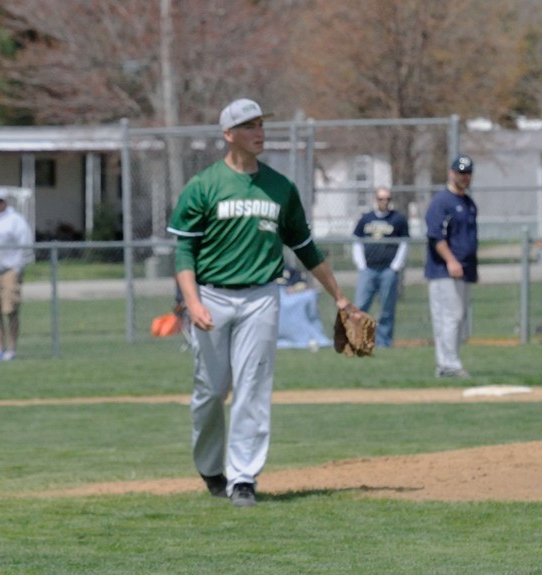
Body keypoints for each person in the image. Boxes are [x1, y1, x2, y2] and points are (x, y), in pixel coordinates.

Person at [167, 98, 353, 508]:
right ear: (228, 135)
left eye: (261, 124)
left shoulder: (280, 187)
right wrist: (192, 302)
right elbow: (183, 252)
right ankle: (210, 467)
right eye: (249, 126)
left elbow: (306, 247)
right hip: (212, 296)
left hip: (262, 297)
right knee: (211, 390)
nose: (259, 132)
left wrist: (340, 297)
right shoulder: (204, 185)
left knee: (253, 387)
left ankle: (243, 478)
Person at [425, 155, 478, 379]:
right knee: (449, 317)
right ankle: (448, 365)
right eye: (460, 173)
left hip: (463, 270)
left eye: (468, 173)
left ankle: (447, 364)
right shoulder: (442, 202)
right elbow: (435, 236)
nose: (464, 177)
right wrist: (451, 260)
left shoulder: (468, 203)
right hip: (443, 271)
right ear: (451, 173)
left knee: (457, 318)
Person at [352, 187, 409, 348]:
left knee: (386, 308)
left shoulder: (397, 219)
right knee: (361, 305)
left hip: (387, 271)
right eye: (381, 199)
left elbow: (404, 243)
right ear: (375, 200)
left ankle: (384, 342)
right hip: (368, 270)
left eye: (387, 199)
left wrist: (395, 266)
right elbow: (356, 241)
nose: (384, 202)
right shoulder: (366, 219)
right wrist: (361, 264)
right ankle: (358, 339)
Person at [0, 190, 33, 360]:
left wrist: (17, 269)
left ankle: (12, 349)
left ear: (5, 202)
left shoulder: (15, 220)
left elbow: (26, 244)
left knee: (10, 311)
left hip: (9, 271)